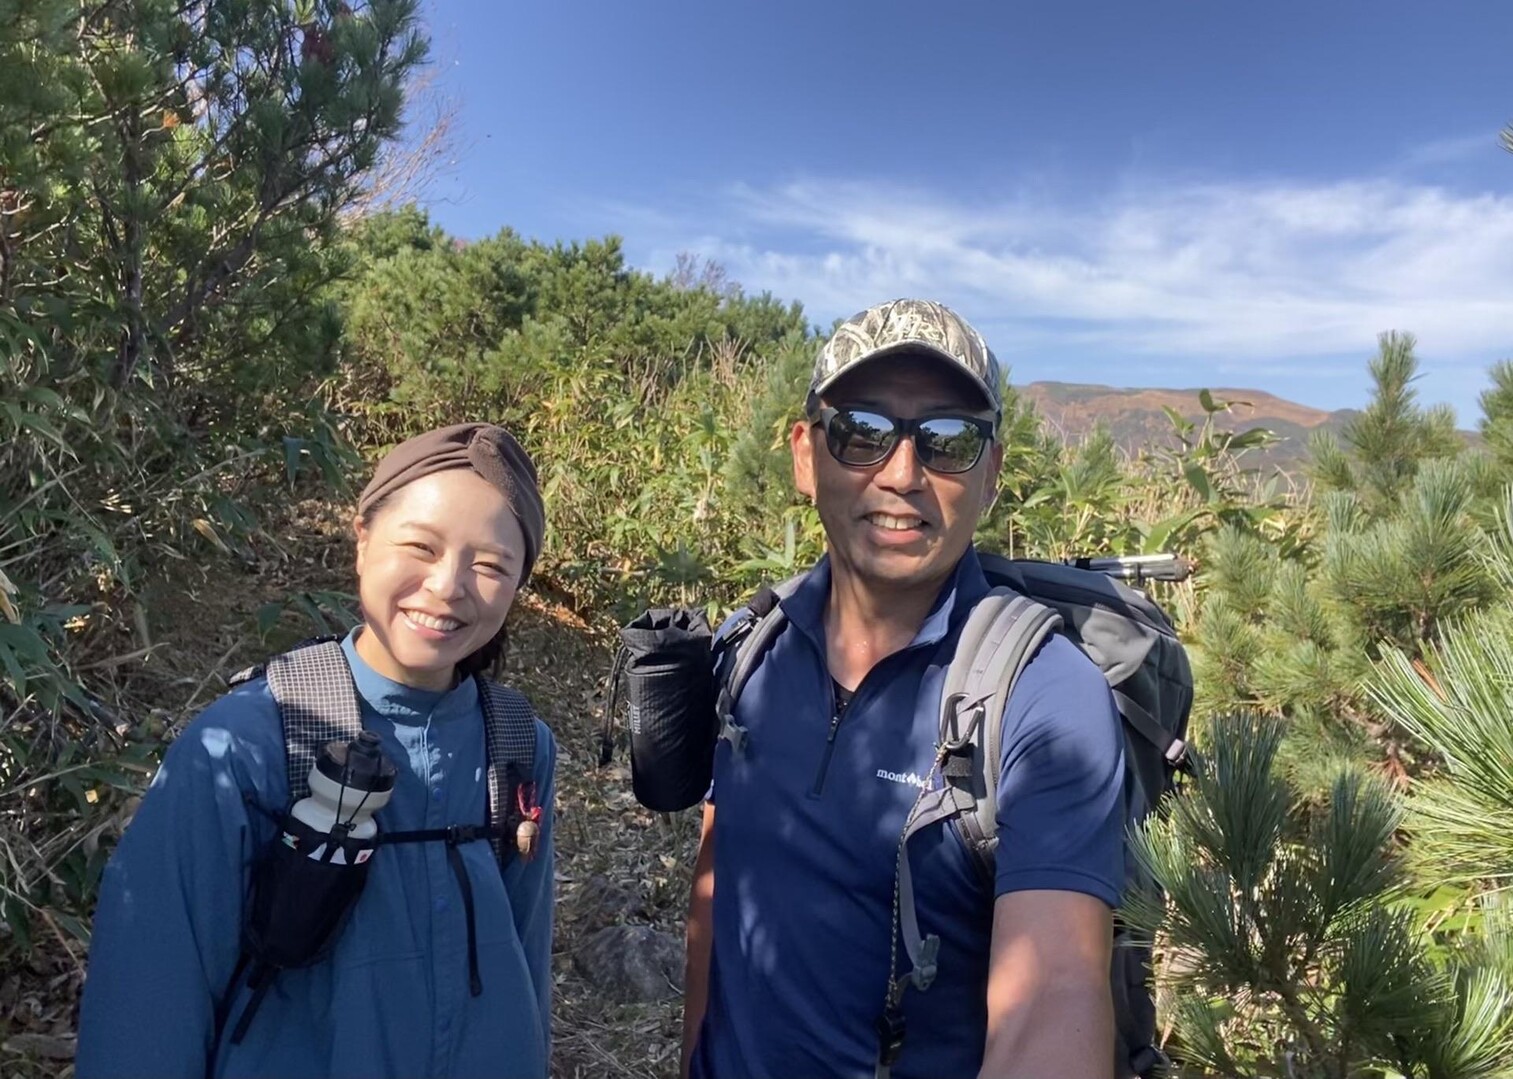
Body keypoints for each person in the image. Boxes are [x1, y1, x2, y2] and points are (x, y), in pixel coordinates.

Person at [681, 300, 1126, 1079]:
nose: (900, 474)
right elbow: (719, 885)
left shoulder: (1042, 695)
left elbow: (1054, 996)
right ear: (804, 455)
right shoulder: (751, 647)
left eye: (947, 440)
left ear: (990, 475)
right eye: (861, 431)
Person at [77, 423, 557, 1079]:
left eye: (491, 565)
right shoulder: (245, 744)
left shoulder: (517, 743)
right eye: (420, 545)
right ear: (362, 539)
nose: (449, 586)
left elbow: (526, 968)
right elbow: (147, 1000)